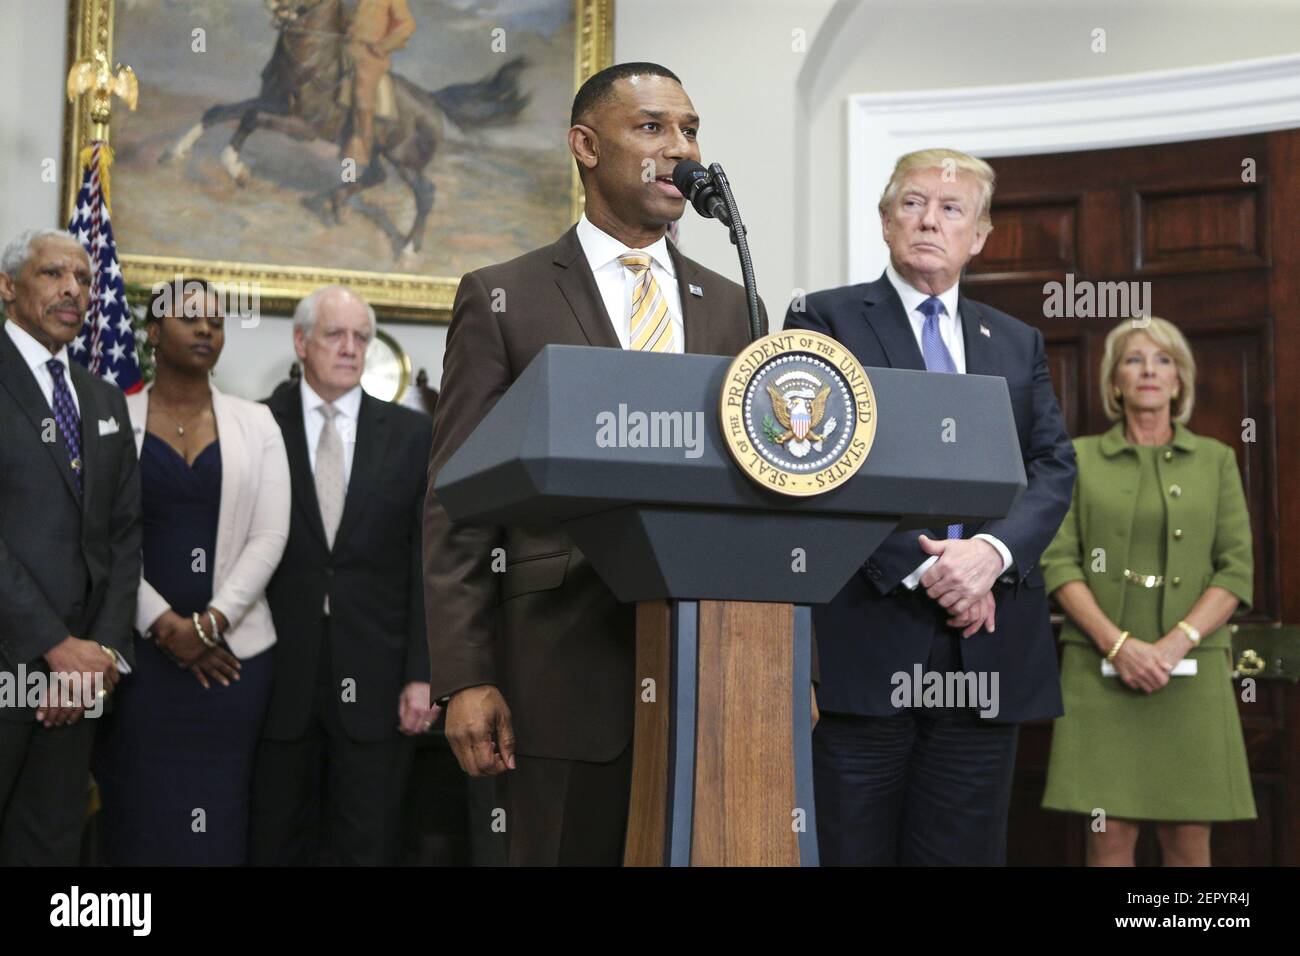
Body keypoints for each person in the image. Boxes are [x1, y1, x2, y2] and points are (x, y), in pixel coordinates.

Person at [422, 62, 759, 866]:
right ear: (584, 145)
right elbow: (455, 499)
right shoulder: (507, 296)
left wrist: (791, 674)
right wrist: (464, 676)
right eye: (651, 128)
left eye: (689, 129)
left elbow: (762, 496)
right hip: (557, 671)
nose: (679, 148)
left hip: (709, 674)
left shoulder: (732, 303)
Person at [784, 148, 1076, 865]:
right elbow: (808, 461)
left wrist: (989, 557)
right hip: (865, 641)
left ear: (978, 236)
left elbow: (1051, 465)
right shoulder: (822, 318)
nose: (929, 220)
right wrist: (931, 572)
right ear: (886, 220)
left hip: (988, 646)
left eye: (952, 209)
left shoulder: (1014, 341)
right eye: (912, 203)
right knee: (852, 850)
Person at [1040, 317, 1255, 866]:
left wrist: (1175, 644)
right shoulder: (1080, 457)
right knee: (1107, 835)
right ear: (1115, 382)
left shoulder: (1217, 460)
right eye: (1134, 360)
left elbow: (1235, 569)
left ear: (1180, 381)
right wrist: (1119, 646)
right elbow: (1058, 562)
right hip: (1099, 669)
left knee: (1189, 841)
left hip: (1193, 670)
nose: (1149, 371)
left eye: (1163, 361)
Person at [94, 279, 290, 865]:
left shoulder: (256, 423)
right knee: (136, 807)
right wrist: (164, 625)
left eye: (217, 322)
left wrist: (207, 626)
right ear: (153, 332)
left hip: (233, 660)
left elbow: (269, 535)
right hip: (134, 657)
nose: (207, 329)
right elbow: (98, 539)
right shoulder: (111, 417)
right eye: (189, 318)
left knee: (219, 809)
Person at [250, 285, 435, 866]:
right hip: (276, 672)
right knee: (274, 838)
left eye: (362, 337)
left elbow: (425, 561)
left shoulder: (411, 435)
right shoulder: (255, 425)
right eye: (336, 334)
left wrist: (422, 674)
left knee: (368, 844)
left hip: (379, 679)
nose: (351, 348)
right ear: (301, 342)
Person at [0, 228, 141, 865]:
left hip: (78, 687)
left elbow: (123, 537)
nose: (72, 291)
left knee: (51, 850)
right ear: (8, 287)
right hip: (12, 668)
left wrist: (99, 653)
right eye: (53, 275)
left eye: (83, 279)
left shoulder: (103, 398)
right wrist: (54, 647)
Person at [342, 0, 416, 173]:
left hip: (370, 56)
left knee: (361, 96)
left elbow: (407, 25)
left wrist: (383, 46)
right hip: (344, 48)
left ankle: (360, 151)